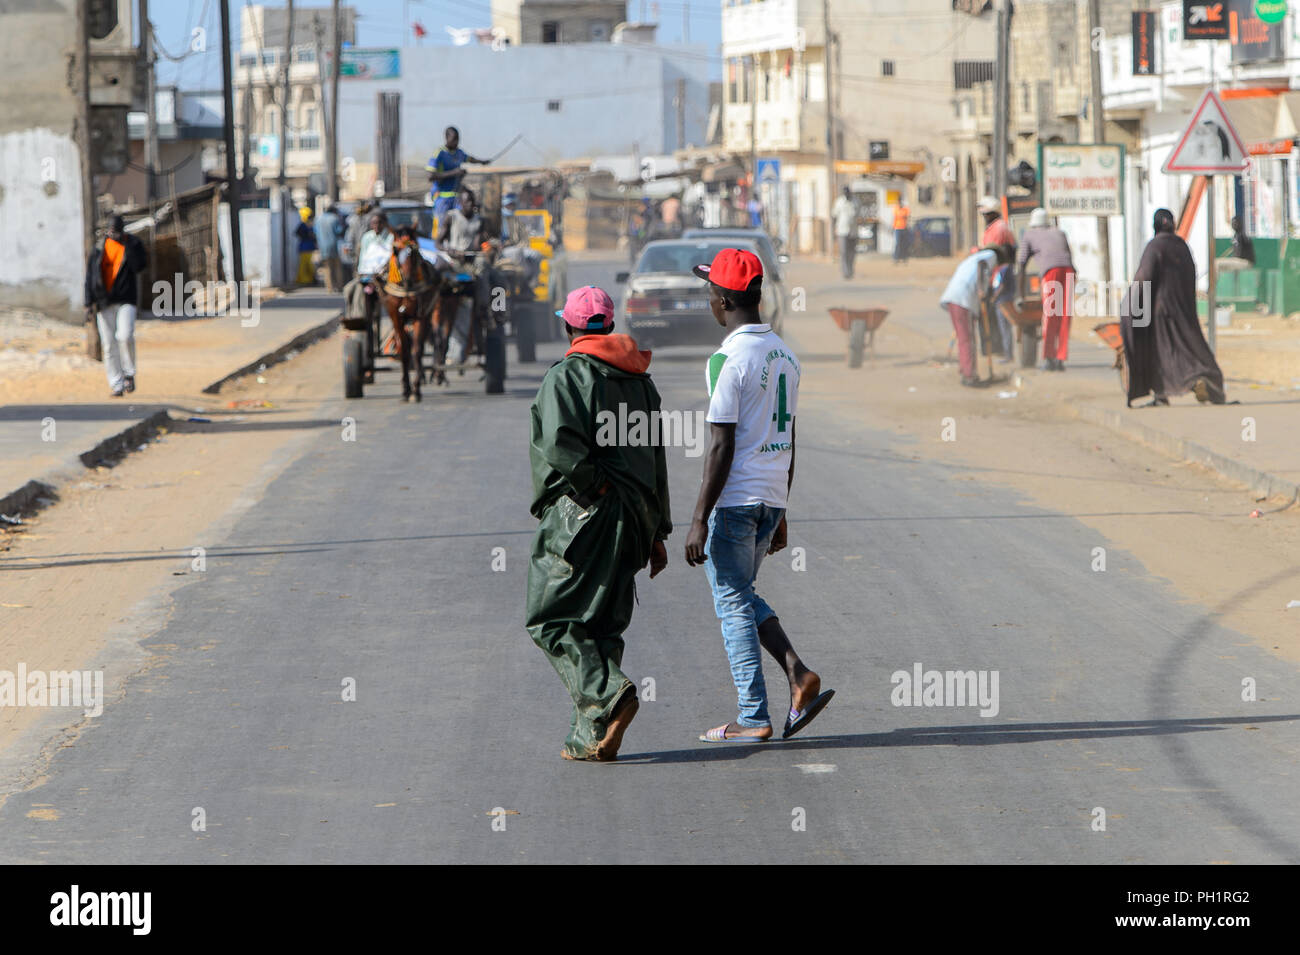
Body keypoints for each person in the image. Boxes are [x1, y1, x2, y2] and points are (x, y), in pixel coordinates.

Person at [684, 248, 834, 743]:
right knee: (743, 594)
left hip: (735, 503)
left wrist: (699, 518)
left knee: (730, 603)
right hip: (771, 497)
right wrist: (783, 510)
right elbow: (788, 438)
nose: (709, 300)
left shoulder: (728, 359)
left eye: (710, 292)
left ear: (724, 301)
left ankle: (753, 716)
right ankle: (798, 674)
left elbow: (721, 444)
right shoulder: (785, 355)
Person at [526, 286, 672, 761]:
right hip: (637, 518)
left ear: (568, 327)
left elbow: (560, 447)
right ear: (609, 326)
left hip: (583, 516)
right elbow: (655, 460)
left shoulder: (567, 377)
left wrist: (594, 488)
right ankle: (590, 735)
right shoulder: (643, 383)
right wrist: (658, 532)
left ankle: (611, 694)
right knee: (601, 627)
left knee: (551, 618)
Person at [1119, 209, 1227, 407]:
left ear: (1155, 225)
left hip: (1161, 311)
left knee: (1162, 352)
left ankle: (1162, 393)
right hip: (1184, 308)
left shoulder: (1155, 246)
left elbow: (1144, 277)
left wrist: (1130, 303)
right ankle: (1204, 379)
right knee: (1191, 346)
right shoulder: (1182, 246)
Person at [84, 214, 147, 397]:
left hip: (126, 299)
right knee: (109, 345)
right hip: (103, 302)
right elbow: (90, 277)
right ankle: (116, 384)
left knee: (124, 336)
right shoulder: (98, 248)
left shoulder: (133, 244)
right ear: (107, 230)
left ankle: (129, 373)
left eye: (117, 232)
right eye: (112, 231)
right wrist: (88, 303)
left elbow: (140, 266)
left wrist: (127, 246)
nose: (114, 235)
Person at [940, 244, 1008, 387]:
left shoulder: (971, 259)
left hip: (956, 298)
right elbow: (982, 266)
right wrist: (981, 289)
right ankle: (969, 376)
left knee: (965, 338)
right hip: (961, 299)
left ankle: (966, 370)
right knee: (967, 340)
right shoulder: (989, 255)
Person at [1017, 207, 1075, 371]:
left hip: (1052, 272)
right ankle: (1060, 358)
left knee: (1050, 316)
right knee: (1064, 316)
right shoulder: (1059, 232)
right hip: (1069, 272)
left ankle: (1049, 358)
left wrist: (1020, 295)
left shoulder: (1029, 235)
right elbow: (1069, 255)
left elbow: (1021, 264)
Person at [427, 126, 487, 220]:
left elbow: (470, 159)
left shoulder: (459, 153)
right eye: (454, 139)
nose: (456, 142)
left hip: (457, 198)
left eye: (457, 139)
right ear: (447, 138)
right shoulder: (439, 153)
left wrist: (482, 162)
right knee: (442, 227)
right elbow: (430, 176)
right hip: (442, 197)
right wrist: (454, 173)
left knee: (459, 225)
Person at [314, 203, 345, 292]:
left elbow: (315, 232)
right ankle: (339, 286)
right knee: (337, 267)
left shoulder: (318, 219)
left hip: (323, 247)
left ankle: (329, 288)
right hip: (334, 246)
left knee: (326, 268)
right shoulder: (334, 218)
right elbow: (339, 230)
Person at [831, 186, 857, 279]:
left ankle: (850, 270)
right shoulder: (839, 202)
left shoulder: (855, 201)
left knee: (851, 252)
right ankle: (845, 272)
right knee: (843, 251)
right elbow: (834, 215)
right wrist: (834, 229)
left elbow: (858, 214)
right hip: (842, 230)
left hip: (853, 231)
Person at [295, 207, 317, 285]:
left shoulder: (310, 225)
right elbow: (297, 233)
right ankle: (303, 280)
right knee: (304, 265)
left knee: (310, 265)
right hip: (304, 247)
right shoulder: (303, 225)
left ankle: (310, 279)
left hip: (309, 247)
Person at [892, 199, 911, 265]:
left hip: (904, 228)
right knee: (898, 244)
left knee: (904, 244)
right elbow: (895, 218)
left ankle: (904, 258)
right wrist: (893, 227)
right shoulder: (896, 209)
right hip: (897, 228)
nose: (899, 204)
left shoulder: (905, 209)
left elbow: (908, 216)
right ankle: (896, 258)